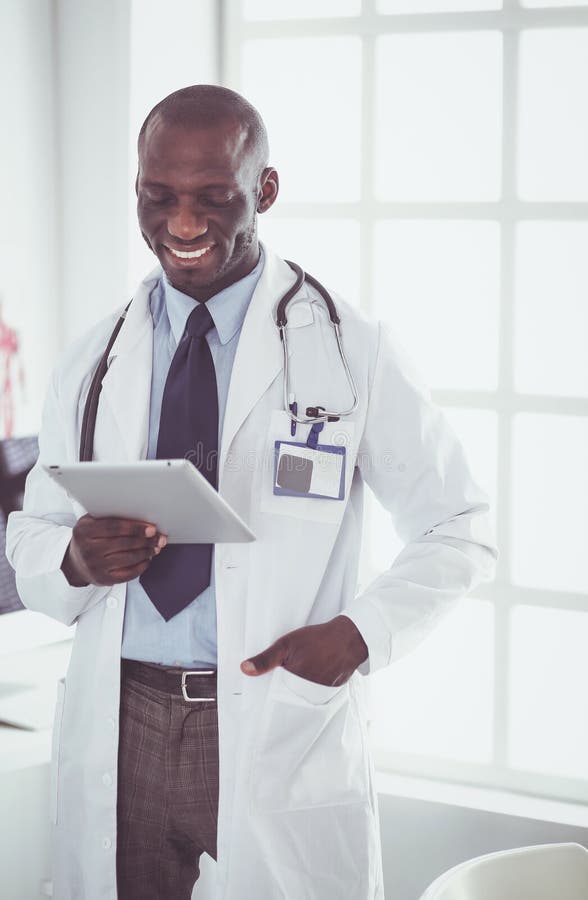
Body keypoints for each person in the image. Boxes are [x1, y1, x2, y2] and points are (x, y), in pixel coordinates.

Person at [6, 85, 498, 900]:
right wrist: (74, 557)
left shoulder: (352, 349)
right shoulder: (95, 359)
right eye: (159, 197)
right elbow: (34, 531)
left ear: (265, 191)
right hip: (121, 716)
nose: (184, 224)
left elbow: (459, 527)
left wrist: (359, 633)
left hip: (273, 717)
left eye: (215, 198)